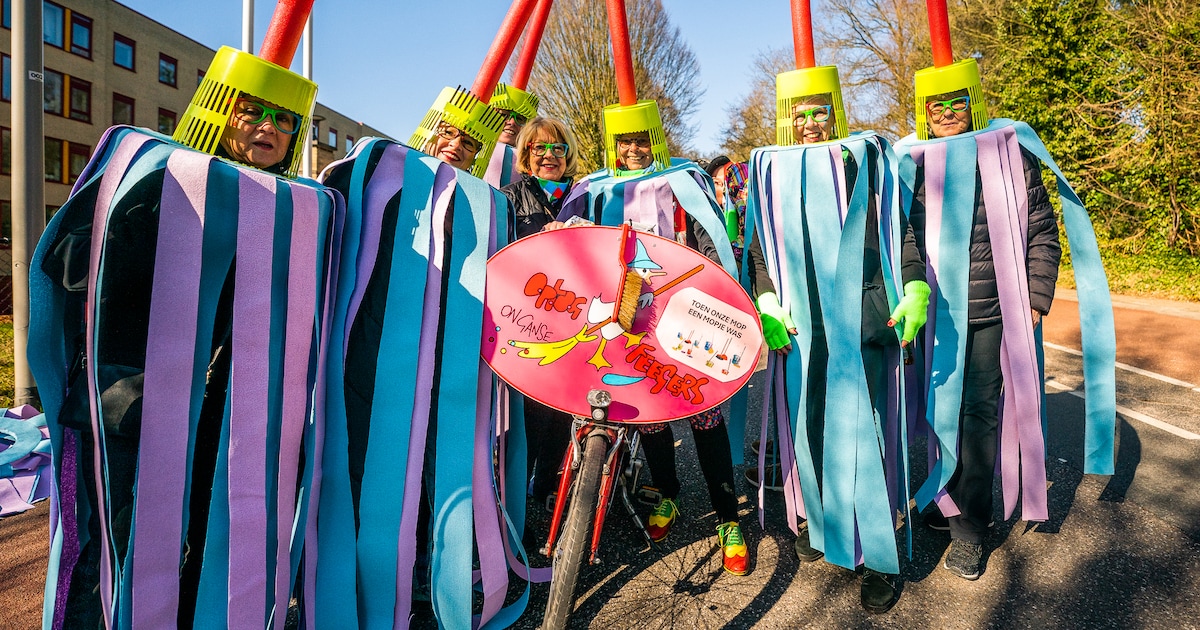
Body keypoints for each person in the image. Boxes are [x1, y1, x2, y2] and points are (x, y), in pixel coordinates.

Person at [31, 45, 327, 628]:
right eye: (253, 110)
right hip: (133, 406)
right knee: (115, 548)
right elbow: (74, 270)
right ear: (220, 109)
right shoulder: (152, 177)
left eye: (286, 119)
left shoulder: (291, 211)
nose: (270, 127)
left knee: (201, 538)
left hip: (225, 418)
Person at [557, 99, 791, 576]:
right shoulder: (595, 190)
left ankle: (729, 519)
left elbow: (710, 244)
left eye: (642, 139)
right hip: (624, 323)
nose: (634, 148)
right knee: (651, 420)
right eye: (625, 141)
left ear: (656, 139)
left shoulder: (685, 180)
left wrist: (720, 295)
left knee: (705, 420)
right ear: (613, 145)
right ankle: (668, 494)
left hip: (683, 316)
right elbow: (578, 249)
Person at [746, 65, 928, 613]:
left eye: (817, 112)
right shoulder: (772, 173)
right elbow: (760, 248)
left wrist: (914, 284)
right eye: (796, 115)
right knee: (815, 424)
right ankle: (826, 524)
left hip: (866, 317)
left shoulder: (865, 161)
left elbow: (903, 230)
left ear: (835, 111)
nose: (807, 123)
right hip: (805, 327)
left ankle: (879, 555)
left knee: (867, 434)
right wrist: (768, 299)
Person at [902, 60, 1062, 582]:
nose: (947, 112)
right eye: (936, 104)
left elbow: (1042, 229)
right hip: (934, 315)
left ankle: (971, 528)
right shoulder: (912, 162)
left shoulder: (1009, 151)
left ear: (974, 103)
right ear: (924, 112)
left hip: (994, 311)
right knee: (934, 414)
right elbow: (900, 235)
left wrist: (1036, 298)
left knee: (977, 415)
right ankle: (944, 498)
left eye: (957, 102)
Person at [500, 117, 581, 509]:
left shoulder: (581, 196)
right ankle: (515, 509)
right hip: (527, 322)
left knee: (563, 414)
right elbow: (499, 258)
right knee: (528, 420)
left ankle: (546, 489)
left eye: (558, 148)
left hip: (575, 322)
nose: (549, 155)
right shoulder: (509, 197)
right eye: (539, 148)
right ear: (526, 155)